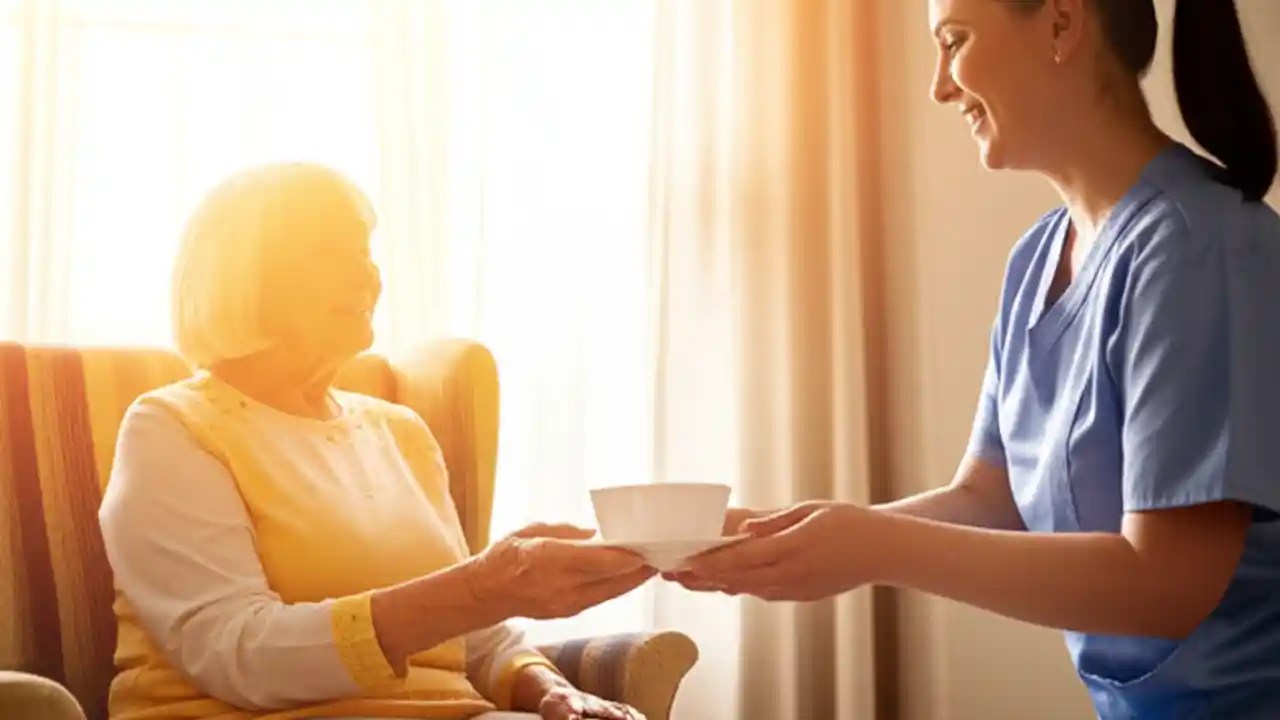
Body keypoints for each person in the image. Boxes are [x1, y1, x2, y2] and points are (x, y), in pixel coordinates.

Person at [670, 0, 1280, 717]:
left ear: (1061, 24)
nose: (939, 86)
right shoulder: (1037, 260)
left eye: (954, 42)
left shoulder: (1200, 248)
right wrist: (788, 534)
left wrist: (868, 545)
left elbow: (1168, 585)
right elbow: (991, 500)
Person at [98, 163, 652, 720]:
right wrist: (480, 587)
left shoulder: (400, 431)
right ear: (244, 276)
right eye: (329, 252)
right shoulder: (171, 428)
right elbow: (237, 654)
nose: (368, 276)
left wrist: (550, 688)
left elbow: (474, 638)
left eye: (364, 252)